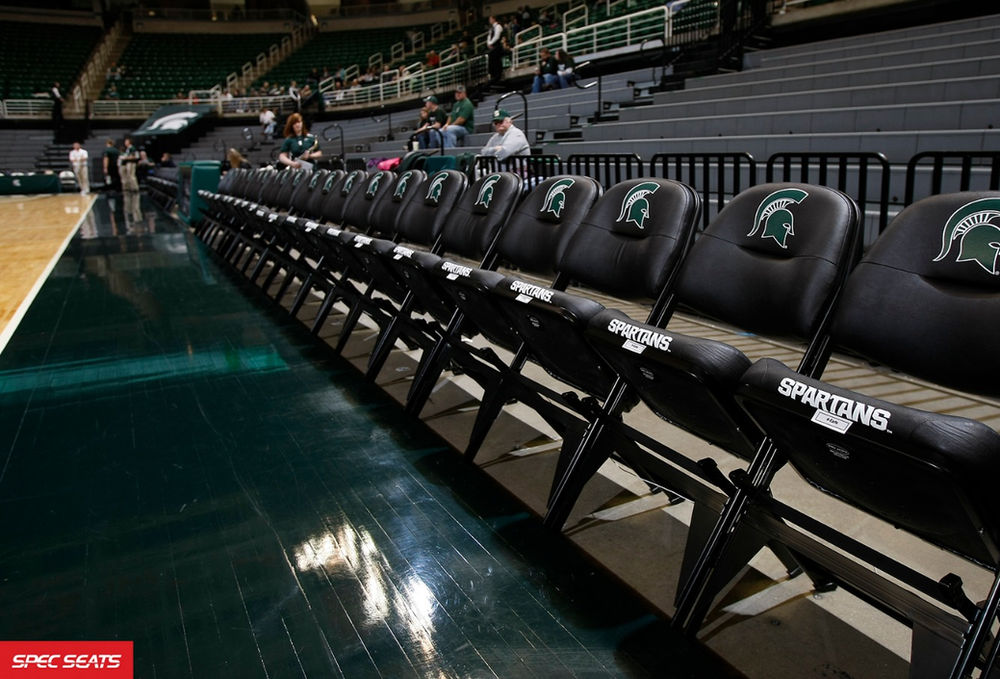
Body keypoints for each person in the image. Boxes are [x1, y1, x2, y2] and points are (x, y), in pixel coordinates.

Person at [485, 15, 504, 82]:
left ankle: (498, 75)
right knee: (491, 60)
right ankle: (493, 75)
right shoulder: (491, 28)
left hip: (497, 46)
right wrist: (488, 43)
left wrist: (491, 43)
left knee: (497, 60)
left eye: (490, 19)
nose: (489, 20)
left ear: (494, 19)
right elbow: (489, 36)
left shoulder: (498, 26)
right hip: (492, 47)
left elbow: (497, 37)